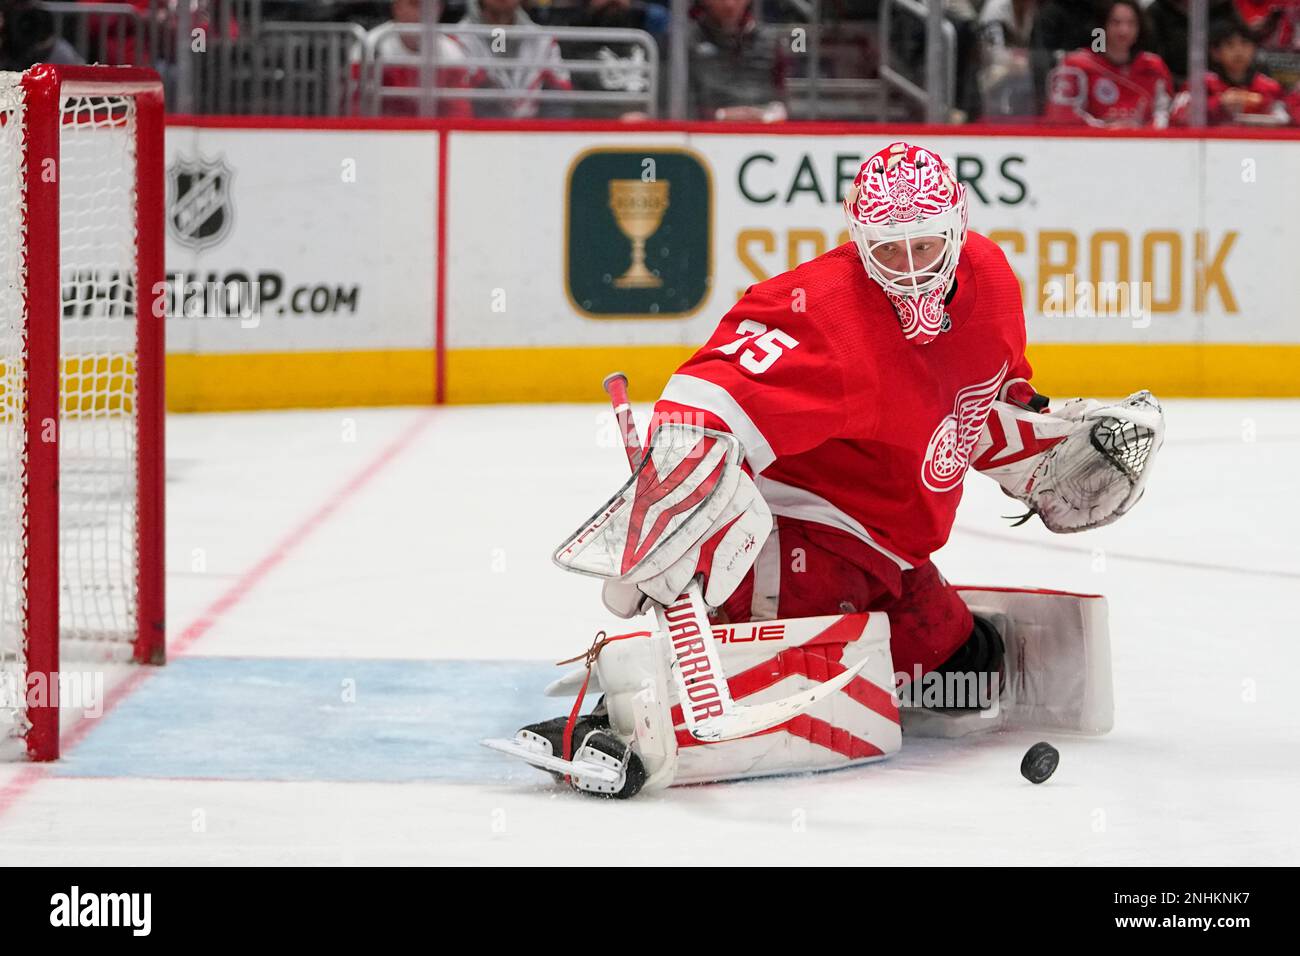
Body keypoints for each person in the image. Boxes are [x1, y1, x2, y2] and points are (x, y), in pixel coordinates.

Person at [510, 142, 1164, 796]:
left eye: (925, 248)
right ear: (858, 241)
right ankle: (626, 713)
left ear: (959, 231)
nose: (908, 272)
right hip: (794, 536)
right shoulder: (823, 309)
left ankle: (824, 666)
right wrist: (672, 499)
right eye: (887, 252)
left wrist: (1043, 452)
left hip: (889, 550)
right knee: (867, 663)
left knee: (969, 672)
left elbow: (974, 404)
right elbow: (702, 402)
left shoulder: (991, 283)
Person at [1043, 0, 1173, 127]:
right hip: (1090, 144)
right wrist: (1106, 129)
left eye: (1131, 23)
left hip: (1145, 144)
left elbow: (1164, 113)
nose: (1124, 30)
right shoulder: (1077, 64)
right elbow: (1062, 113)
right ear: (1102, 25)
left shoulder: (1153, 66)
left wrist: (1142, 132)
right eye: (1116, 23)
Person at [357, 0, 477, 117]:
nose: (422, 13)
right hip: (381, 132)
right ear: (396, 7)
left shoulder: (452, 52)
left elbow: (459, 114)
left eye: (430, 6)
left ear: (440, 9)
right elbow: (357, 111)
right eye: (414, 4)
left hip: (432, 131)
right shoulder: (368, 47)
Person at [455, 0, 573, 118]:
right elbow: (454, 105)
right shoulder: (456, 41)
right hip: (476, 133)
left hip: (534, 133)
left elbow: (559, 101)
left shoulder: (543, 41)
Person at [1172, 18, 1292, 124]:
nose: (1238, 51)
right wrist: (1219, 104)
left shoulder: (1269, 87)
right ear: (1215, 52)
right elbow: (1177, 115)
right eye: (1230, 45)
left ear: (1254, 49)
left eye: (1245, 44)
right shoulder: (1200, 83)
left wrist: (1265, 107)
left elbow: (1287, 119)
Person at [686, 0, 787, 121]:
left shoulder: (771, 42)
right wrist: (720, 116)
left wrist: (773, 114)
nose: (729, 4)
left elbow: (781, 100)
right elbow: (672, 107)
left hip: (762, 132)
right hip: (704, 134)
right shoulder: (684, 43)